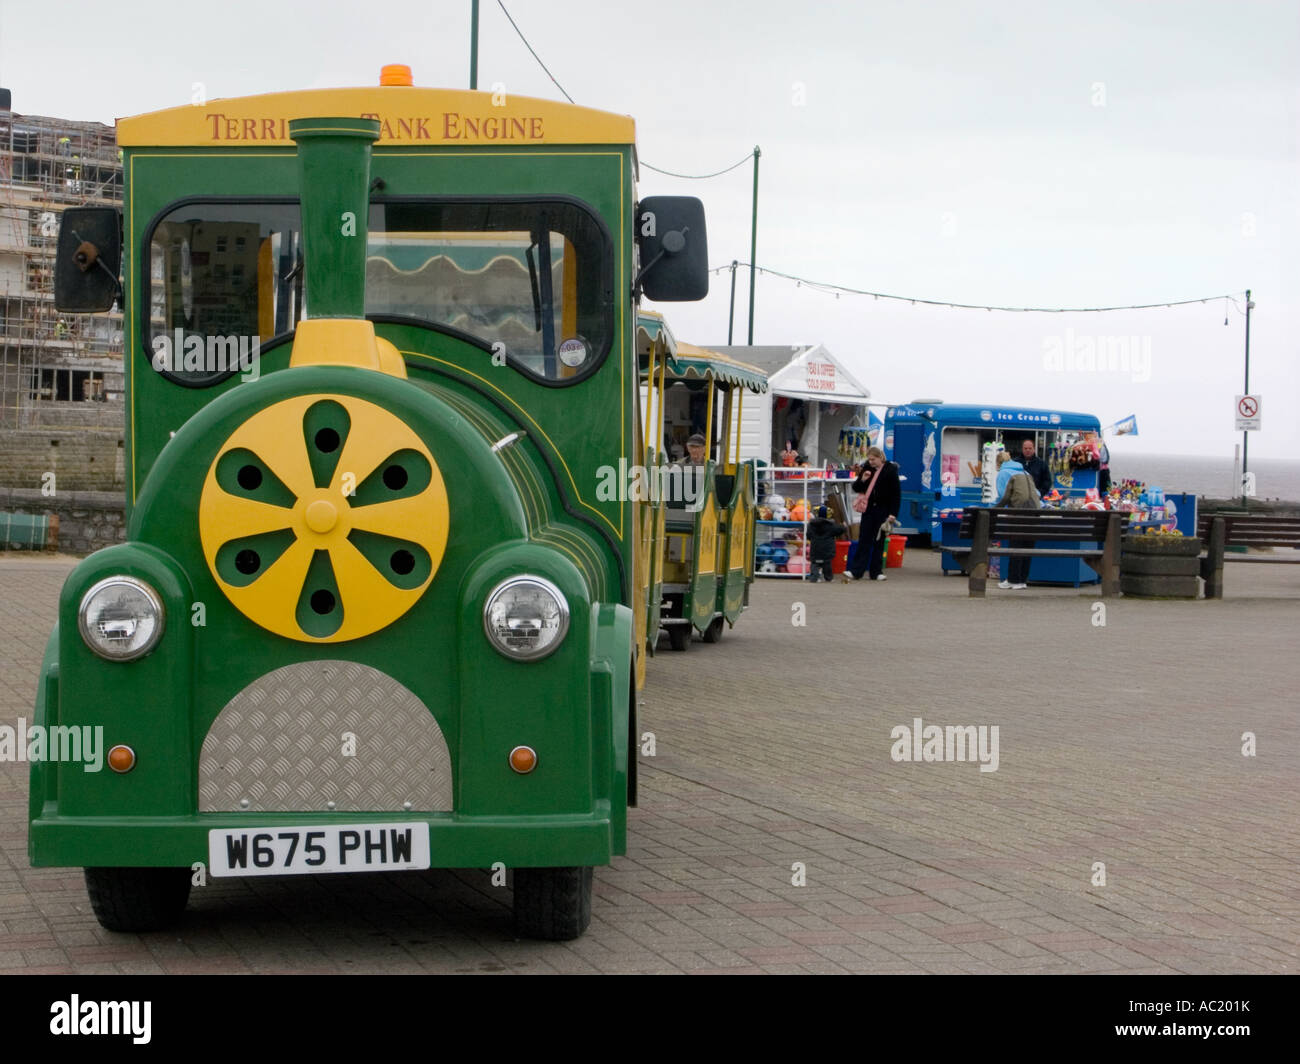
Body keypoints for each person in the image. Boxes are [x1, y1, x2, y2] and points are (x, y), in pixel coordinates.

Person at [846, 447, 900, 581]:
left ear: (880, 457)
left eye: (873, 459)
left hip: (883, 510)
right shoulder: (866, 468)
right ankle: (856, 571)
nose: (871, 462)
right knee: (864, 539)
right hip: (868, 509)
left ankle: (876, 572)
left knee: (879, 540)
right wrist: (862, 479)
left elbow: (896, 494)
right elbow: (856, 488)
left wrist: (893, 513)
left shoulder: (891, 470)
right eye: (869, 459)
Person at [993, 453, 1042, 590]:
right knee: (1027, 547)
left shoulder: (1003, 473)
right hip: (1035, 513)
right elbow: (1037, 494)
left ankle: (1013, 580)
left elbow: (1003, 496)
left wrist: (993, 508)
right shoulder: (1025, 473)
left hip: (1018, 514)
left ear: (998, 463)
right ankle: (1022, 580)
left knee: (1016, 546)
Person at [807, 505, 845, 583]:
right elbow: (840, 530)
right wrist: (843, 526)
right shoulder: (830, 525)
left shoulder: (811, 525)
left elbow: (808, 536)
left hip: (815, 549)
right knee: (827, 564)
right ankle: (828, 578)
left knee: (814, 564)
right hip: (827, 550)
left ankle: (814, 578)